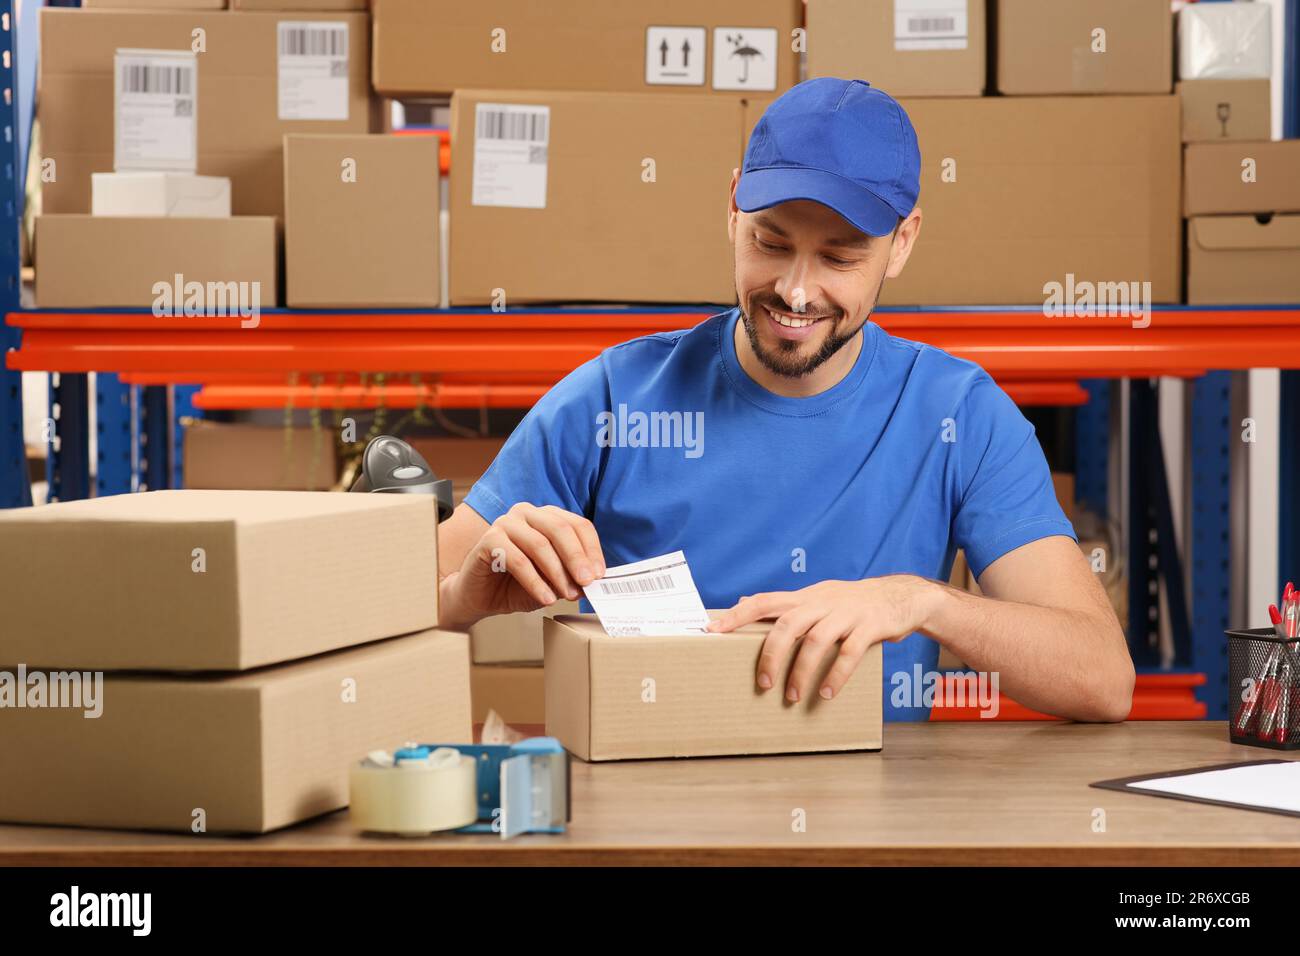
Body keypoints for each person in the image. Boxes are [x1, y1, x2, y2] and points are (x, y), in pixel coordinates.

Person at [436, 78, 1134, 722]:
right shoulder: (614, 399)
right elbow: (387, 610)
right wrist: (462, 597)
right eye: (770, 242)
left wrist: (922, 600)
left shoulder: (960, 415)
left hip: (870, 826)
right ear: (733, 206)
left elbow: (1102, 681)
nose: (796, 292)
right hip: (647, 816)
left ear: (902, 243)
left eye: (840, 258)